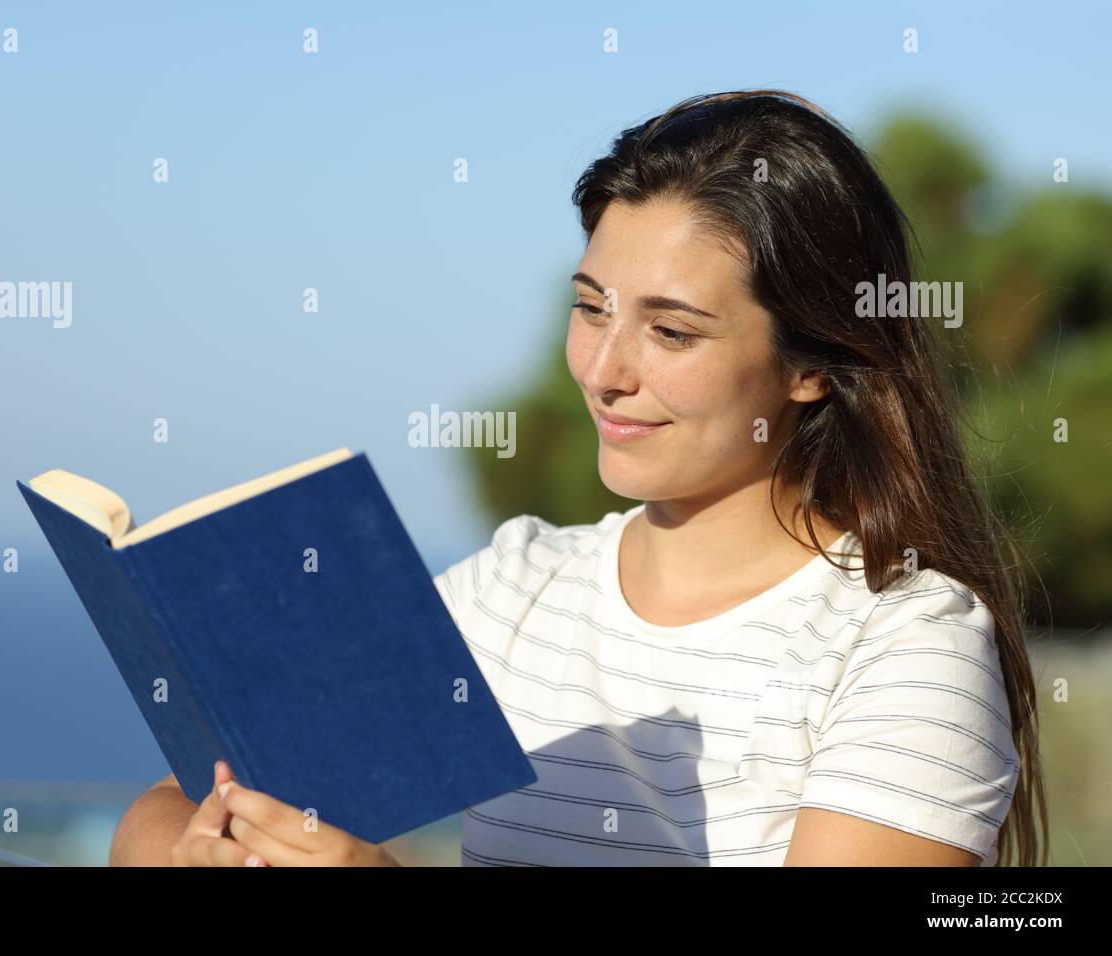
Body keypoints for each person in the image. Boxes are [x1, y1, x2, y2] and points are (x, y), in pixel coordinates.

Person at [109, 90, 1046, 867]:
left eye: (672, 331)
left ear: (810, 366)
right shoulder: (518, 589)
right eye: (591, 308)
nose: (605, 371)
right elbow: (171, 804)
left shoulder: (904, 644)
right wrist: (205, 847)